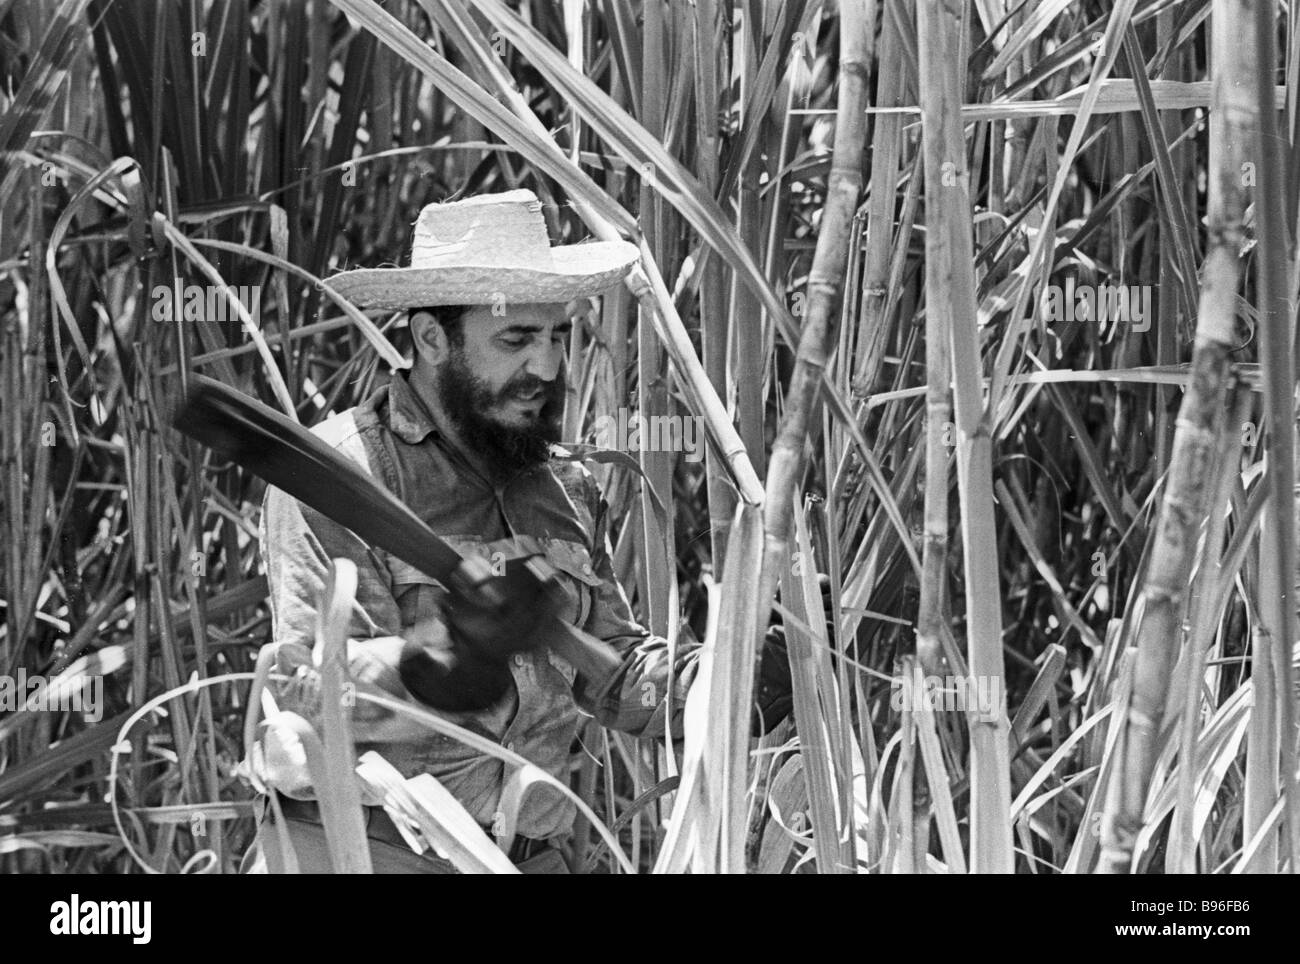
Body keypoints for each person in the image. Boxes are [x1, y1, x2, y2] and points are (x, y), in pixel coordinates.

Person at [243, 190, 793, 874]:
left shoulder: (562, 488)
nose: (548, 368)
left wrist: (734, 678)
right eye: (516, 339)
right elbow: (315, 698)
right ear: (431, 339)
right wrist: (446, 658)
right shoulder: (337, 475)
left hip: (531, 859)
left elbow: (614, 678)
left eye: (555, 336)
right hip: (373, 855)